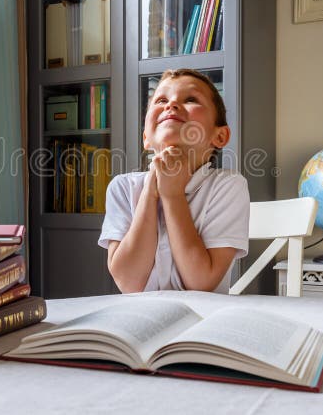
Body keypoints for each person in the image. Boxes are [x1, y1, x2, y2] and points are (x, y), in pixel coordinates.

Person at [98, 69, 250, 293]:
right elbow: (129, 284)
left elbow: (201, 283)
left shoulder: (228, 186)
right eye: (161, 100)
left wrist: (172, 195)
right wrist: (151, 190)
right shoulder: (122, 187)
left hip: (203, 319)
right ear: (146, 138)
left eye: (190, 99)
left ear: (219, 136)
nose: (171, 105)